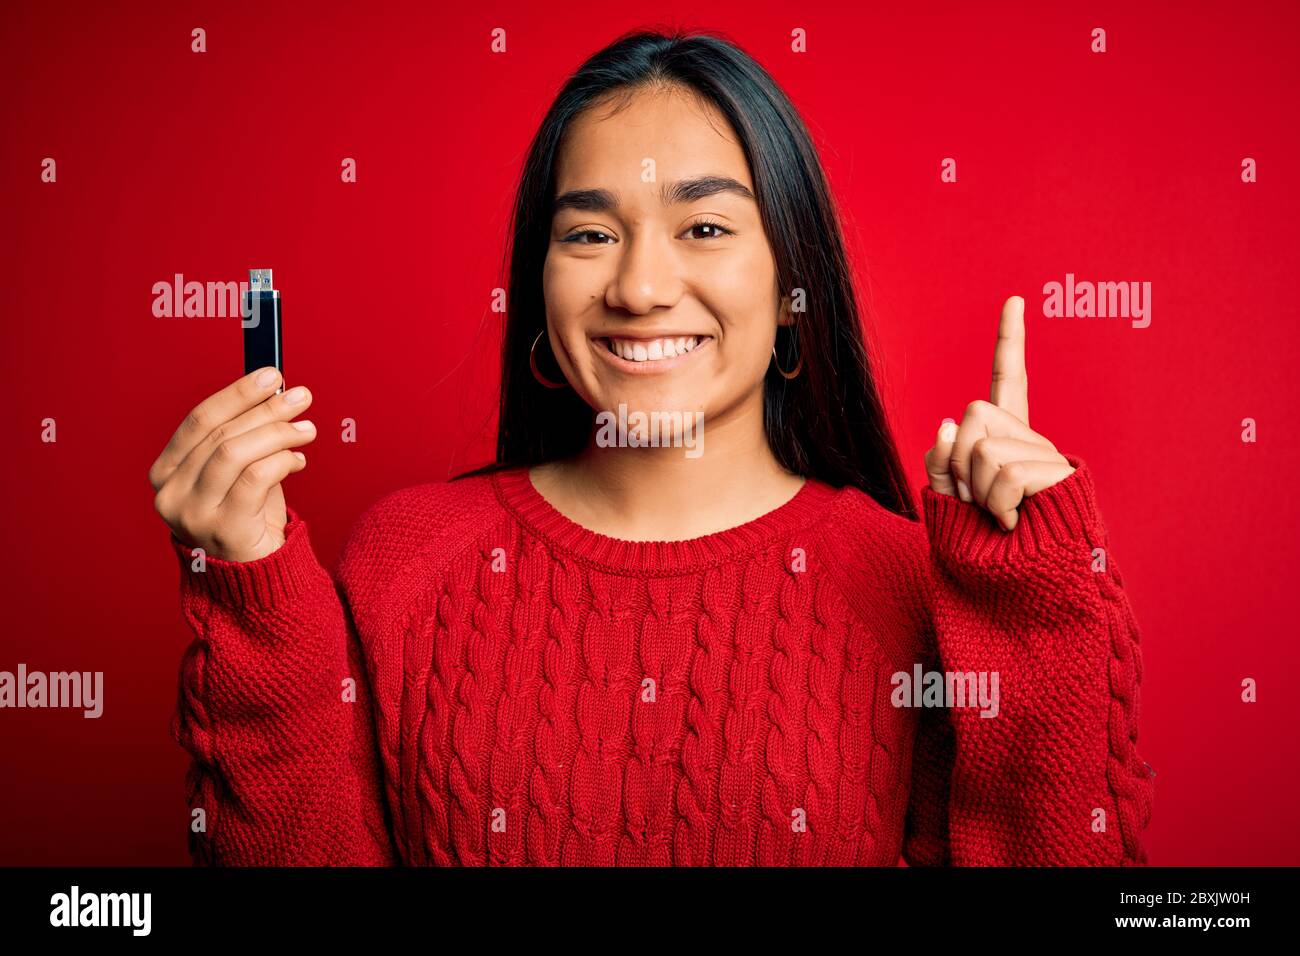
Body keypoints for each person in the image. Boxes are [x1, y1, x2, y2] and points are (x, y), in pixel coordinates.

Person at [149, 29, 1154, 866]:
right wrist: (252, 584)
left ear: (793, 279)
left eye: (705, 227)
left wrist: (1036, 598)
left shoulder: (907, 579)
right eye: (588, 235)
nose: (637, 285)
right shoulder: (407, 558)